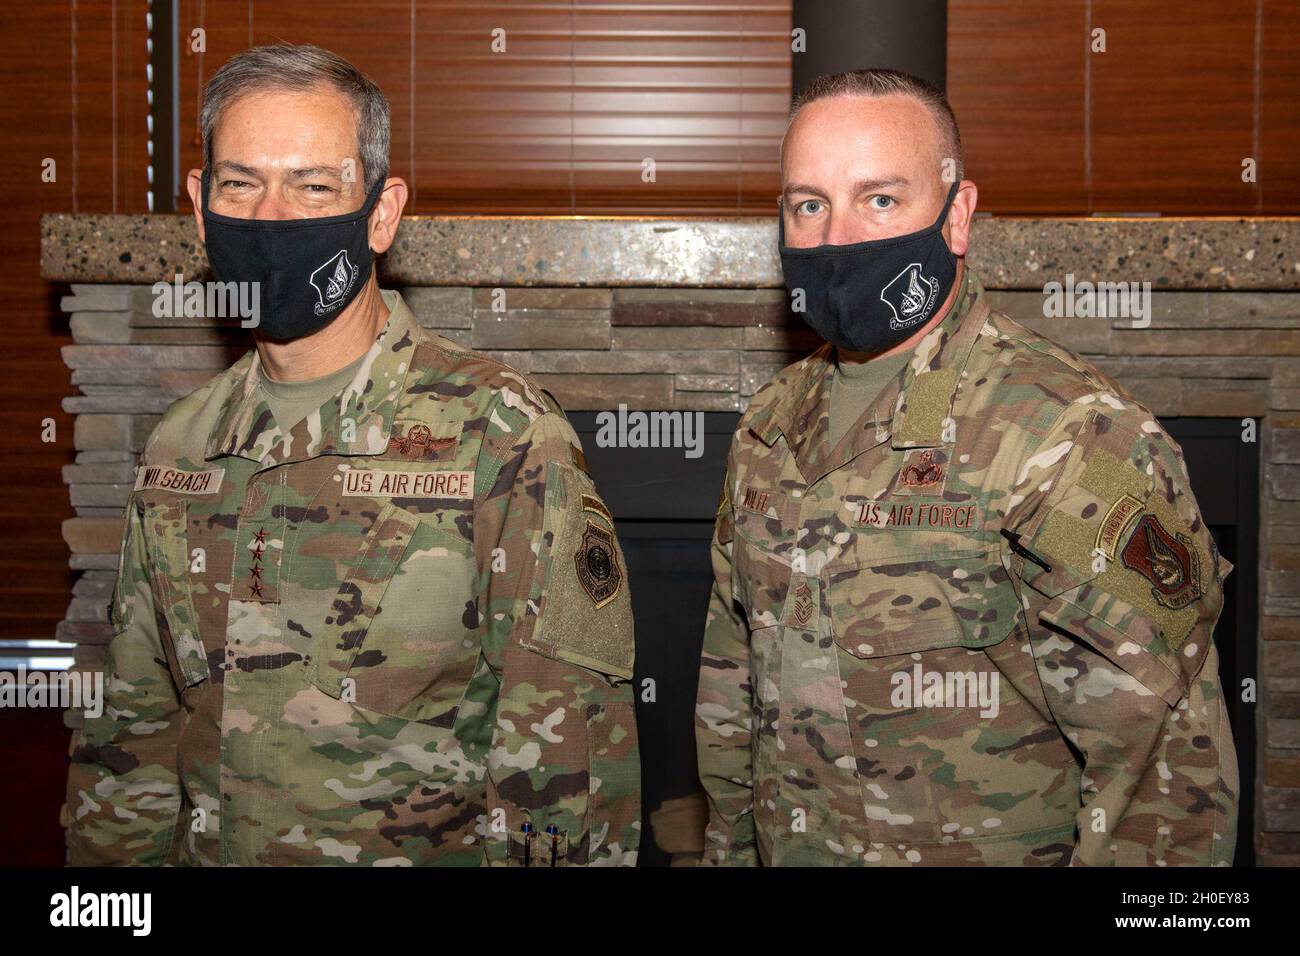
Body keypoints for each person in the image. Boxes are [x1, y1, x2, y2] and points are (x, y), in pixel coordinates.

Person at [65, 43, 640, 866]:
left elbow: (565, 771)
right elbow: (131, 732)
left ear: (380, 212)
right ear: (198, 207)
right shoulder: (180, 445)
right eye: (240, 184)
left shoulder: (500, 434)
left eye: (312, 186)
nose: (270, 220)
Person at [696, 68, 1238, 866]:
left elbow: (1163, 782)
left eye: (880, 200)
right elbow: (731, 689)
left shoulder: (1073, 434)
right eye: (809, 204)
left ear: (957, 217)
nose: (837, 240)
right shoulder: (770, 426)